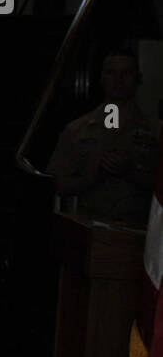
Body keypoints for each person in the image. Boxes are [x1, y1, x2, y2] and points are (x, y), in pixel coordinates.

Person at [47, 49, 160, 226]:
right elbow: (57, 184)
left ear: (138, 77)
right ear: (101, 77)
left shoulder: (157, 131)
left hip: (140, 231)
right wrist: (91, 178)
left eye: (126, 73)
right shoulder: (77, 130)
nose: (118, 80)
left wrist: (131, 173)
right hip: (90, 227)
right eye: (111, 73)